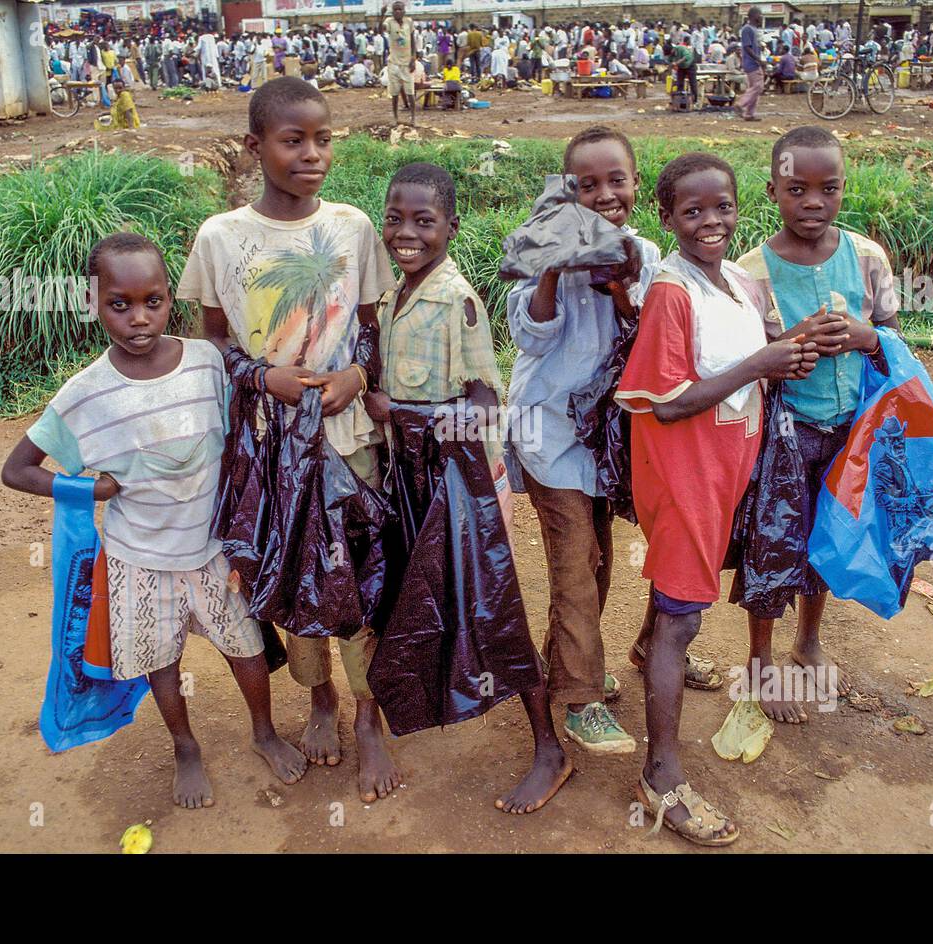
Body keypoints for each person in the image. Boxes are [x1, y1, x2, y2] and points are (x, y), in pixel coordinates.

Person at [1, 233, 308, 809]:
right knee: (160, 659)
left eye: (154, 301)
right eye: (120, 304)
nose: (139, 318)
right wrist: (90, 486)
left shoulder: (206, 362)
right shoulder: (84, 396)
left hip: (214, 549)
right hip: (137, 558)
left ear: (172, 300)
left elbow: (243, 440)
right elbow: (17, 470)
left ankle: (264, 731)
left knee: (244, 646)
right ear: (93, 302)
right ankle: (185, 747)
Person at [178, 77, 402, 803]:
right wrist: (258, 378)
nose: (313, 154)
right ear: (256, 147)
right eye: (293, 140)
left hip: (350, 440)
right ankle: (321, 699)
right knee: (296, 581)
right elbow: (213, 342)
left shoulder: (352, 225)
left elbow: (371, 322)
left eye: (324, 138)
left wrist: (359, 371)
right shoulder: (222, 237)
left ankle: (370, 715)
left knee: (364, 578)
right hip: (273, 449)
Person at [615, 153, 817, 847]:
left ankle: (646, 647)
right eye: (692, 212)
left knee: (677, 585)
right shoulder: (672, 293)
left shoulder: (736, 281)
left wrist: (795, 342)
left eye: (722, 207)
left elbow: (750, 356)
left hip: (728, 461)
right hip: (684, 471)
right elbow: (667, 404)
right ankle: (661, 774)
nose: (711, 222)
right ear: (666, 219)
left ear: (738, 208)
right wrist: (763, 362)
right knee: (686, 618)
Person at [365, 163, 573, 813]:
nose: (407, 231)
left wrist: (396, 413)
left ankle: (550, 748)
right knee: (418, 604)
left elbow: (485, 408)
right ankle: (426, 702)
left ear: (450, 228)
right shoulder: (394, 296)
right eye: (395, 218)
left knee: (493, 615)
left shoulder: (456, 301)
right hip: (418, 481)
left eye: (424, 221)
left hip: (467, 488)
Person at [735, 126, 902, 723]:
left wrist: (865, 338)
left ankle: (807, 639)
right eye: (796, 189)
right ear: (772, 190)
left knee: (828, 535)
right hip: (784, 432)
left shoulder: (866, 258)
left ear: (842, 189)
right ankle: (759, 660)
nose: (813, 203)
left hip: (849, 429)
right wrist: (794, 342)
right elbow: (745, 360)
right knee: (774, 539)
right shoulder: (748, 273)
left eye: (828, 190)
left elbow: (891, 339)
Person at [504, 127, 663, 754]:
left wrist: (622, 290)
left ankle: (566, 671)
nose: (604, 195)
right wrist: (552, 271)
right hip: (549, 435)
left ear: (635, 185)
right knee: (575, 566)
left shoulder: (644, 255)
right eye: (587, 185)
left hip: (608, 441)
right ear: (567, 192)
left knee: (595, 563)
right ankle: (580, 699)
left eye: (615, 180)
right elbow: (531, 337)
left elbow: (650, 339)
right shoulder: (545, 245)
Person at [381, 2, 416, 124]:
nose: (397, 12)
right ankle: (395, 118)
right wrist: (381, 15)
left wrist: (413, 58)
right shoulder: (389, 22)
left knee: (410, 92)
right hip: (394, 63)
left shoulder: (409, 22)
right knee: (394, 93)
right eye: (395, 10)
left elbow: (412, 41)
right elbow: (381, 29)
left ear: (404, 11)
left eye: (399, 9)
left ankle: (413, 118)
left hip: (407, 63)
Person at [736, 6, 764, 121]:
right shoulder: (747, 29)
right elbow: (747, 47)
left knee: (754, 88)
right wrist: (759, 59)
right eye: (760, 15)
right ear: (754, 16)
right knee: (758, 86)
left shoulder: (753, 29)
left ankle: (749, 114)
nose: (762, 17)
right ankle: (741, 104)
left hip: (753, 62)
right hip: (751, 63)